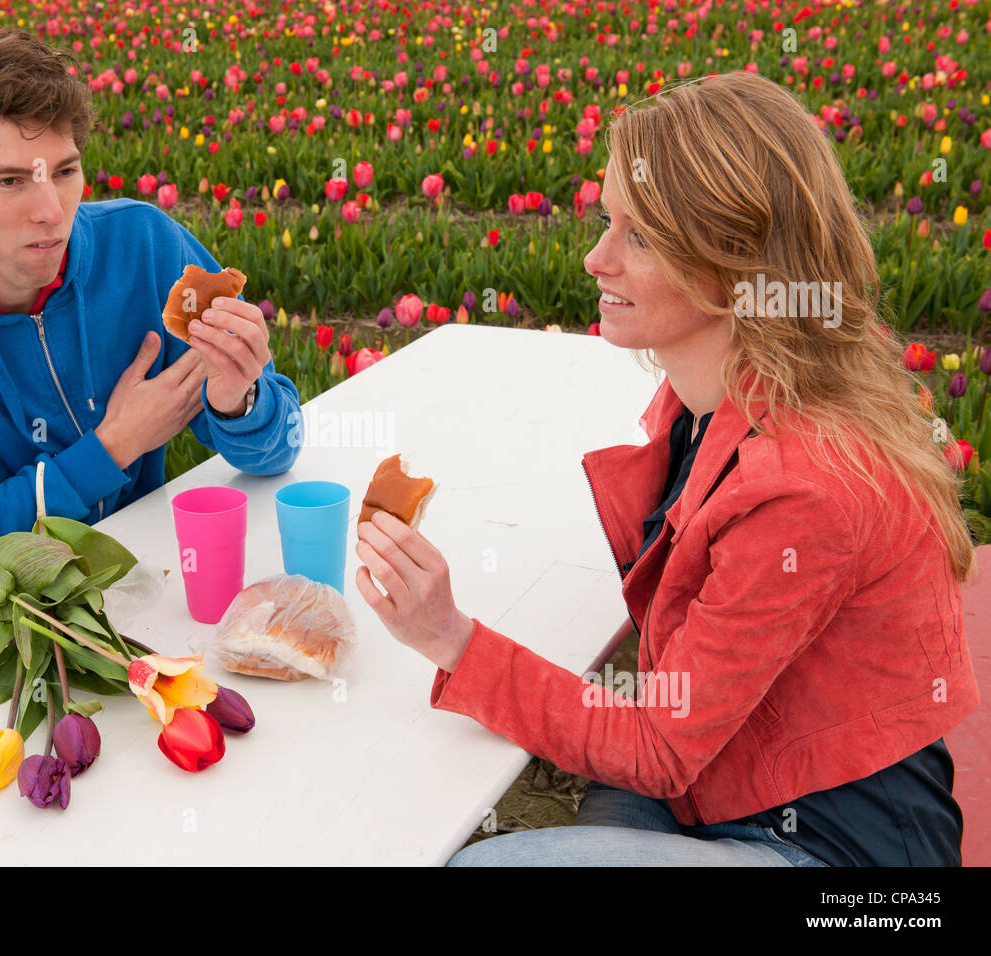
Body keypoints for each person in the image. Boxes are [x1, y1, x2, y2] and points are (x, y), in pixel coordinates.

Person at [354, 70, 981, 866]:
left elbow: (657, 747)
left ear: (734, 264)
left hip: (834, 845)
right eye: (608, 220)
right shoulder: (711, 400)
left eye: (639, 236)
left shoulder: (805, 483)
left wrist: (449, 637)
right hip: (722, 773)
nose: (594, 258)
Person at [0, 30, 301, 657]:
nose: (52, 211)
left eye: (64, 172)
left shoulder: (143, 248)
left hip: (130, 576)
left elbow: (279, 453)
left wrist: (240, 402)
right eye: (11, 182)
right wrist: (114, 447)